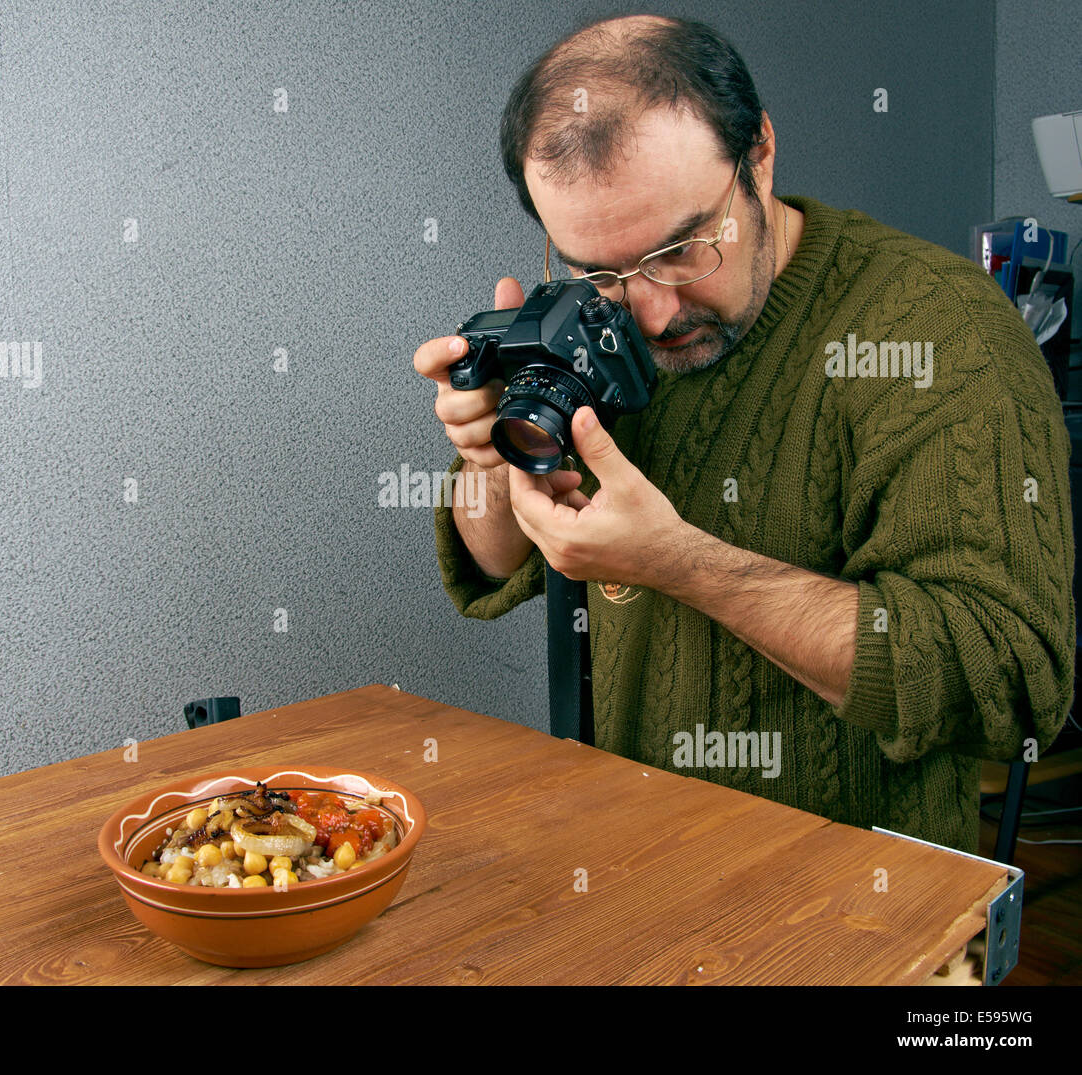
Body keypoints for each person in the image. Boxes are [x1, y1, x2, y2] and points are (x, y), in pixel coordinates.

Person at [412, 14, 1075, 855]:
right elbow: (496, 560)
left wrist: (681, 563)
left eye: (684, 247)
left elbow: (1009, 681)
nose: (651, 310)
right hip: (627, 864)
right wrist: (488, 460)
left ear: (759, 154)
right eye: (598, 269)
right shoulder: (594, 319)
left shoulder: (939, 333)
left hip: (849, 904)